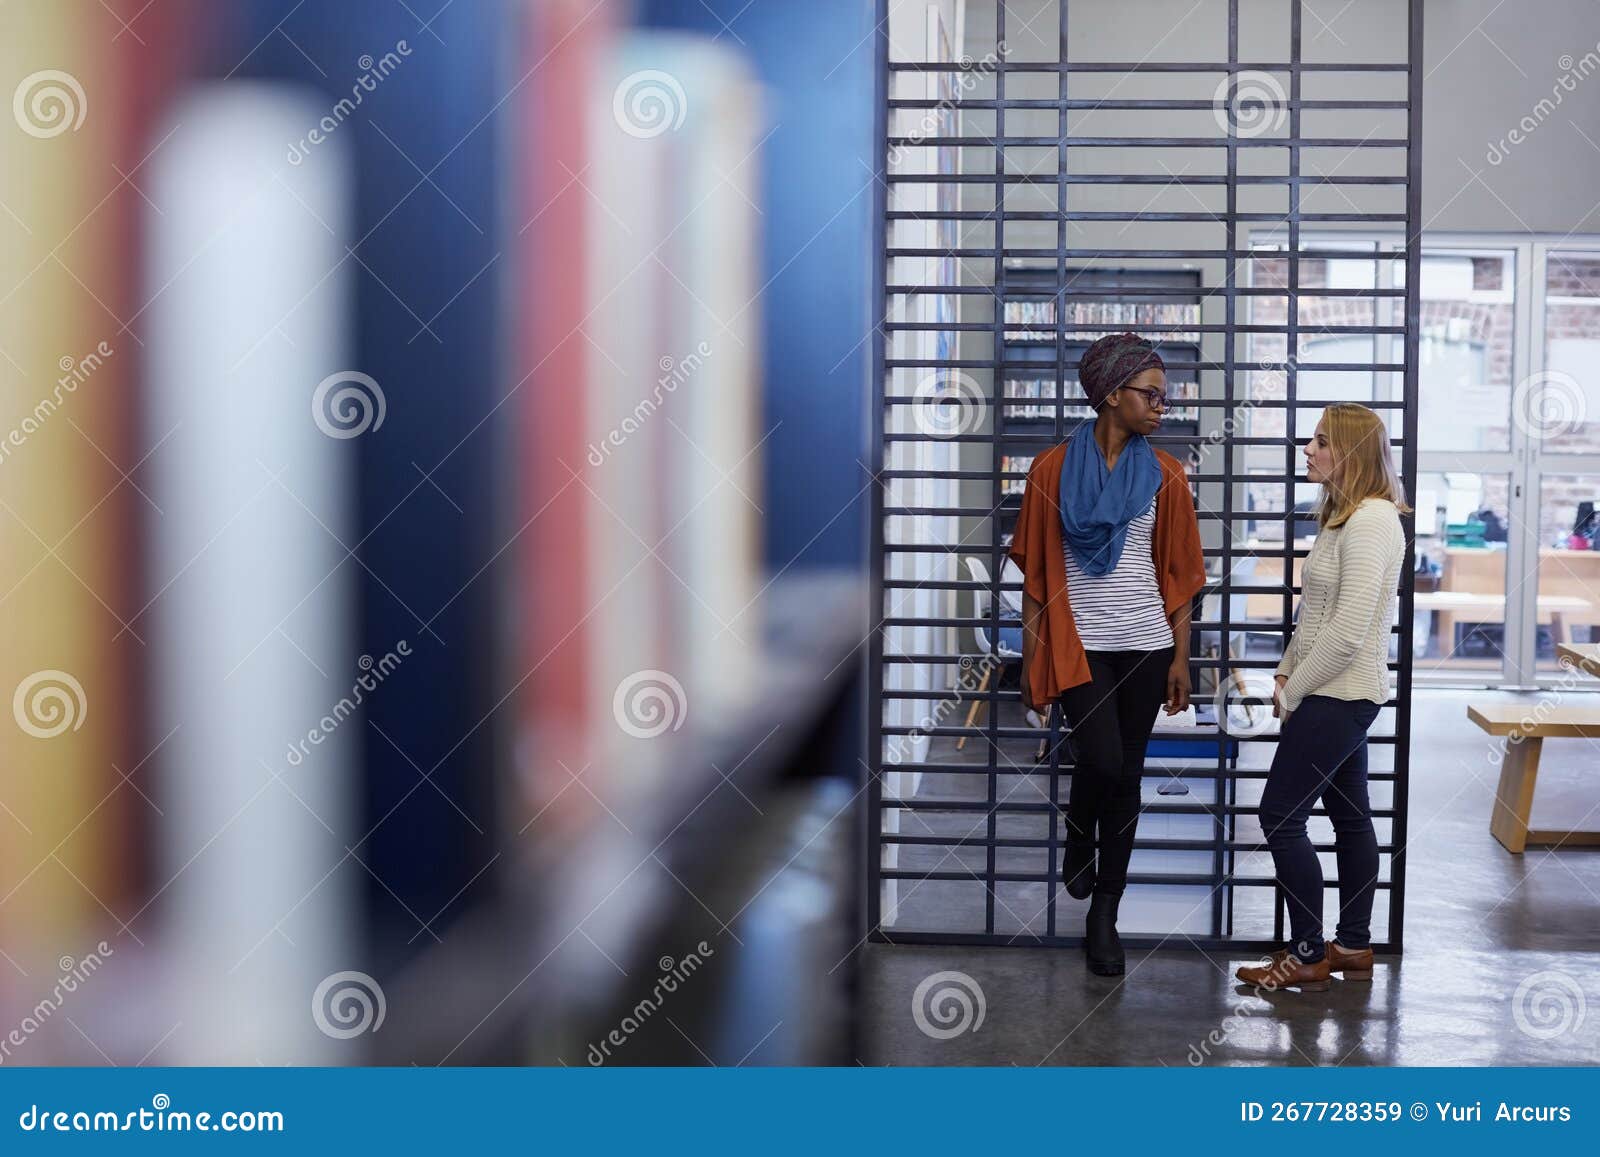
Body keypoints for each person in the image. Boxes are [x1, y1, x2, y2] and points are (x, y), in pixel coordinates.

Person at [1007, 332, 1207, 976]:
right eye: (1152, 395)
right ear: (1113, 395)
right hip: (1080, 645)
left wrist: (1181, 658)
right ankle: (1078, 832)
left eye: (1165, 397)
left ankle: (1104, 915)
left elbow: (1181, 575)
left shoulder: (1167, 475)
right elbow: (1035, 580)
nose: (1162, 407)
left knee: (1127, 776)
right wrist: (1032, 661)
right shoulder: (1049, 471)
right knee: (1102, 758)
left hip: (1147, 646)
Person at [1236, 403, 1409, 993]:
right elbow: (1315, 617)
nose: (1307, 450)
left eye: (1321, 442)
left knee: (1280, 816)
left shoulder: (1372, 521)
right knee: (1350, 817)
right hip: (1331, 691)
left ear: (1352, 453)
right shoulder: (1342, 517)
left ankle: (1308, 954)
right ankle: (1353, 946)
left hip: (1340, 695)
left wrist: (1297, 690)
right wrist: (1286, 671)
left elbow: (1349, 631)